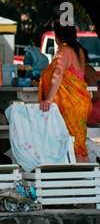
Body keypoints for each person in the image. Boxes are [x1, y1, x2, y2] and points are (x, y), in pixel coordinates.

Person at [39, 21, 91, 160]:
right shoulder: (78, 50)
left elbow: (57, 74)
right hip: (81, 103)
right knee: (79, 146)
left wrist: (48, 99)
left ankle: (83, 179)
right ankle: (89, 180)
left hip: (70, 106)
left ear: (57, 37)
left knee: (74, 147)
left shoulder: (63, 50)